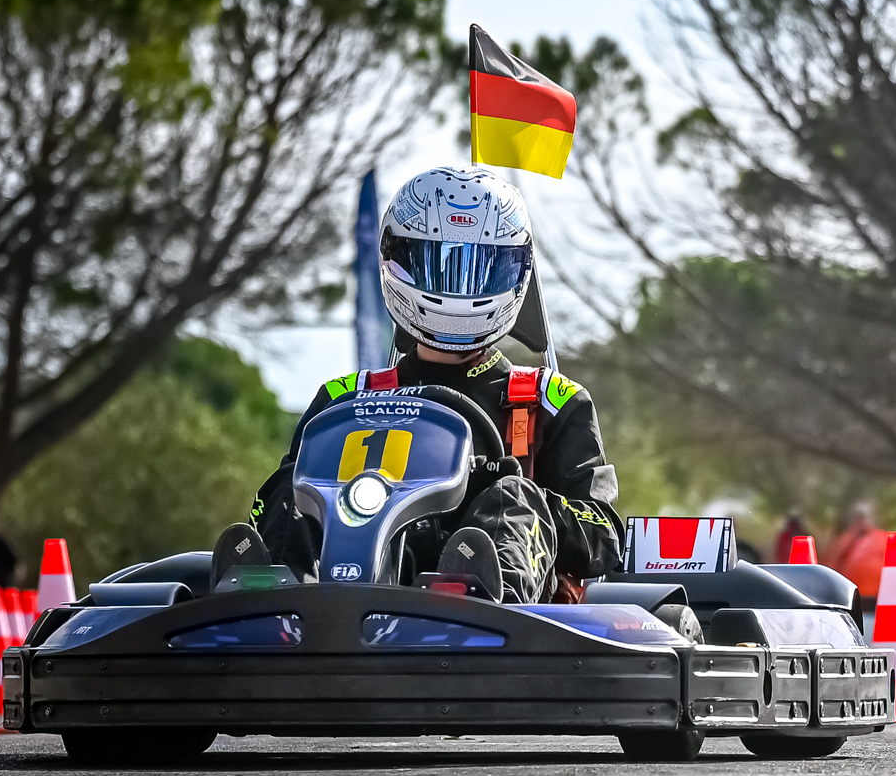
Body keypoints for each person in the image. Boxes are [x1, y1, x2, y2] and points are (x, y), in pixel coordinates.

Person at [221, 166, 623, 603]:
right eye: (439, 266)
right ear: (399, 261)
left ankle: (484, 599)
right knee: (292, 488)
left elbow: (605, 534)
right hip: (351, 589)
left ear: (515, 272)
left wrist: (499, 489)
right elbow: (270, 509)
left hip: (500, 616)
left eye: (478, 270)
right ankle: (270, 608)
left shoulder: (550, 402)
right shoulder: (345, 399)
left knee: (515, 496)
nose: (459, 291)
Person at [823, 502, 889, 621]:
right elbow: (831, 563)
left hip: (876, 597)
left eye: (863, 517)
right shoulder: (845, 540)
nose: (861, 522)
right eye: (858, 518)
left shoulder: (883, 538)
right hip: (851, 596)